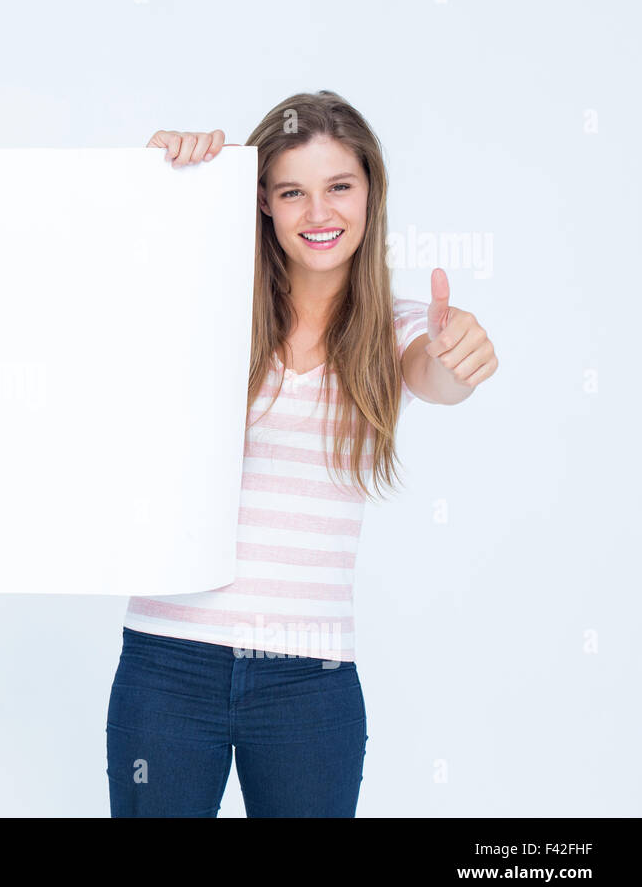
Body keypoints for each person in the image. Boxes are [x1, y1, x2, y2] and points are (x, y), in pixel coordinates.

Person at [106, 90, 498, 817]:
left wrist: (457, 358)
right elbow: (112, 281)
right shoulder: (202, 304)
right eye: (293, 192)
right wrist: (164, 186)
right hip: (167, 663)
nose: (319, 214)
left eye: (339, 187)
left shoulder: (402, 327)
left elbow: (434, 375)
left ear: (370, 192)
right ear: (262, 203)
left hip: (309, 683)